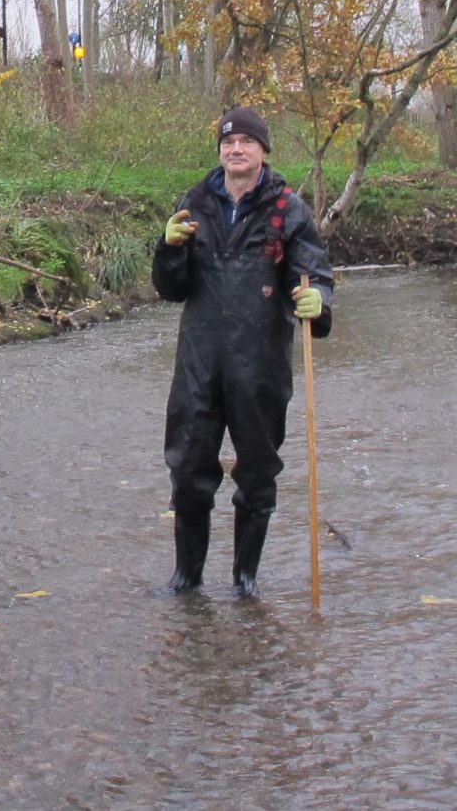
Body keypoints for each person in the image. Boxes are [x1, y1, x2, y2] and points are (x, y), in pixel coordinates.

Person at [152, 105, 333, 600]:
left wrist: (319, 300)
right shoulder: (194, 203)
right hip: (199, 361)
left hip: (260, 364)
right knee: (189, 467)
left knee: (257, 472)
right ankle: (187, 577)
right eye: (228, 143)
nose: (236, 150)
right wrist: (167, 250)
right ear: (220, 151)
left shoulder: (289, 210)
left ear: (262, 151)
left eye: (246, 143)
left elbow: (316, 275)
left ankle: (244, 580)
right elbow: (172, 289)